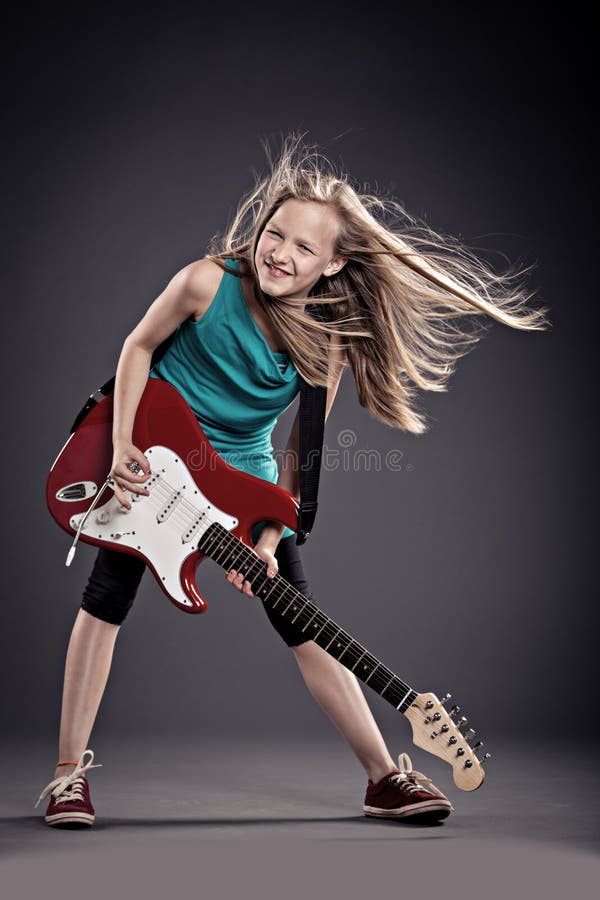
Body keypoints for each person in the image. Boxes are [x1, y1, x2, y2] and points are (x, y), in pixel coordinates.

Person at [36, 133, 549, 828]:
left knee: (302, 620)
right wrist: (124, 442)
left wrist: (270, 539)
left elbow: (301, 455)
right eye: (274, 234)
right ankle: (68, 778)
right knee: (107, 597)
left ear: (335, 263)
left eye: (304, 249)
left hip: (240, 482)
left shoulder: (327, 340)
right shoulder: (204, 282)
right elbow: (137, 347)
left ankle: (383, 776)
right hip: (153, 462)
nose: (280, 253)